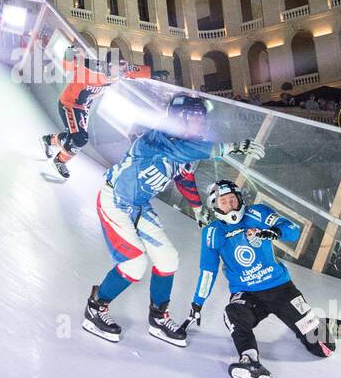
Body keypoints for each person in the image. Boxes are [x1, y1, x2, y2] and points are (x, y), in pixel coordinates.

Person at [83, 93, 265, 346]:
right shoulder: (156, 138)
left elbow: (183, 178)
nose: (203, 123)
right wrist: (229, 147)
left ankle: (158, 316)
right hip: (115, 201)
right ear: (181, 118)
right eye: (198, 118)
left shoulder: (188, 147)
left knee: (168, 259)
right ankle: (95, 306)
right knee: (134, 263)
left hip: (139, 205)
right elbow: (179, 151)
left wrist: (197, 208)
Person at [188, 179, 341, 378]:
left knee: (324, 349)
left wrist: (276, 231)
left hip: (280, 288)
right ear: (215, 206)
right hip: (247, 293)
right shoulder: (212, 232)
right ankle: (250, 361)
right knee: (233, 312)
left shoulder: (257, 213)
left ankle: (319, 324)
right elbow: (207, 271)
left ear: (239, 199)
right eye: (224, 201)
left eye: (233, 200)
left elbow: (292, 229)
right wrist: (197, 303)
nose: (230, 205)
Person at [42, 48, 147, 179]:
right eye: (115, 68)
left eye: (121, 68)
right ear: (107, 66)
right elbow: (70, 66)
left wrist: (154, 74)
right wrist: (69, 54)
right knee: (80, 139)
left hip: (83, 108)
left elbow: (140, 71)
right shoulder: (90, 68)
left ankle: (48, 140)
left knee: (74, 138)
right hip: (69, 104)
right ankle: (59, 161)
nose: (119, 73)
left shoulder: (122, 71)